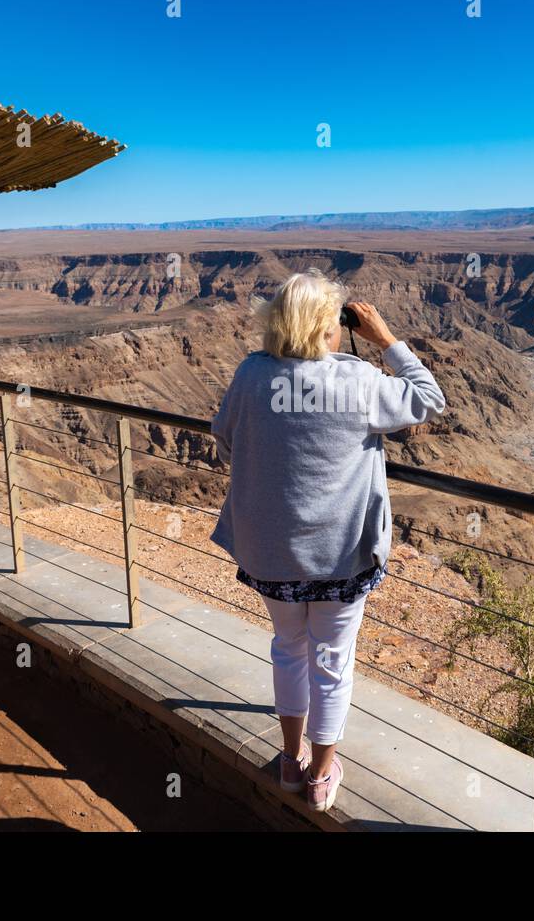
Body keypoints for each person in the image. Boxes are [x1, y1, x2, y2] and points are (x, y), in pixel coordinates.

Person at [210, 267, 445, 812]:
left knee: (288, 651)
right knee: (332, 662)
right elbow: (430, 400)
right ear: (326, 327)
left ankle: (290, 763)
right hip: (341, 557)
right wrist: (385, 339)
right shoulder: (358, 382)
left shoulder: (250, 375)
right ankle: (320, 775)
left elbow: (225, 441)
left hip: (271, 555)